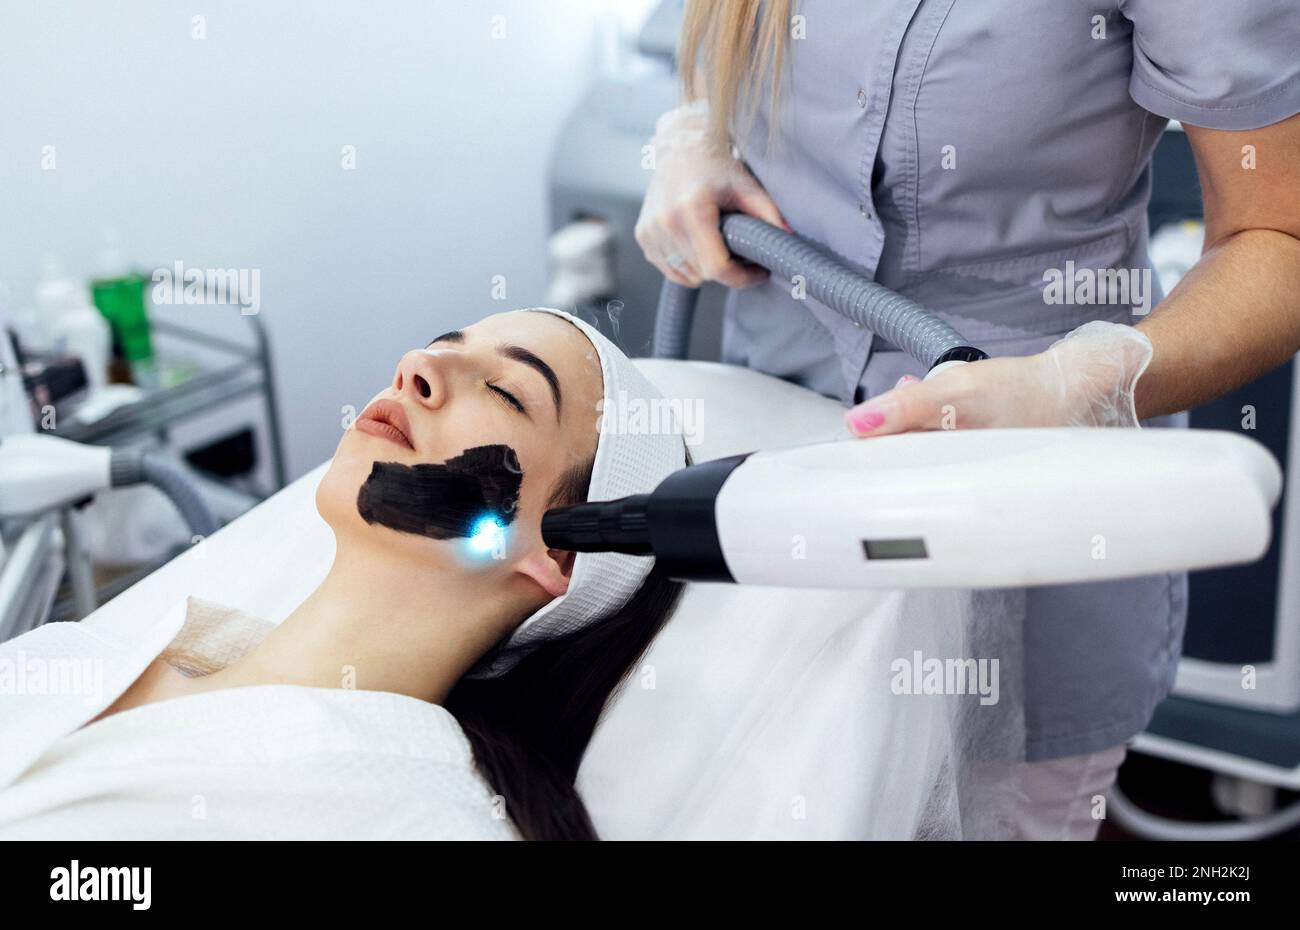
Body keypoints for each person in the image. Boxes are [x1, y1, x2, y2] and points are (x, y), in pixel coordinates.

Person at [634, 0, 1300, 839]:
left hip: (1022, 505)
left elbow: (1279, 237)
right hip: (772, 481)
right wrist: (694, 133)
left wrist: (1074, 384)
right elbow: (711, 55)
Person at [0, 308, 689, 841]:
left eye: (507, 392)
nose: (416, 364)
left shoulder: (415, 817)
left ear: (560, 550)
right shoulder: (73, 656)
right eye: (443, 344)